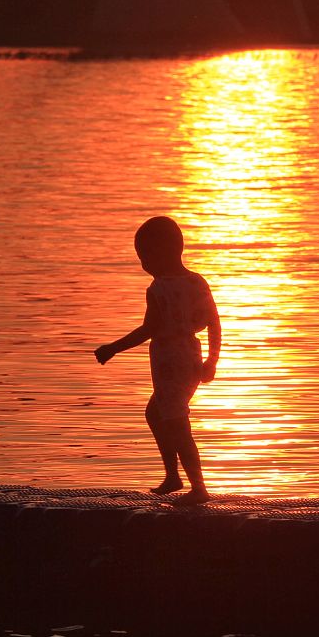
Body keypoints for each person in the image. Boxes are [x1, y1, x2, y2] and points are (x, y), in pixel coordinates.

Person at [96, 216, 221, 506]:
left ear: (163, 252)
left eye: (145, 256)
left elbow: (148, 329)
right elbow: (214, 322)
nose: (143, 264)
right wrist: (211, 360)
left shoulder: (158, 289)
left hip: (169, 362)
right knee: (156, 414)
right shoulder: (197, 281)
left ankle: (198, 488)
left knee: (177, 423)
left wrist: (113, 348)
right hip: (190, 357)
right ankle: (173, 476)